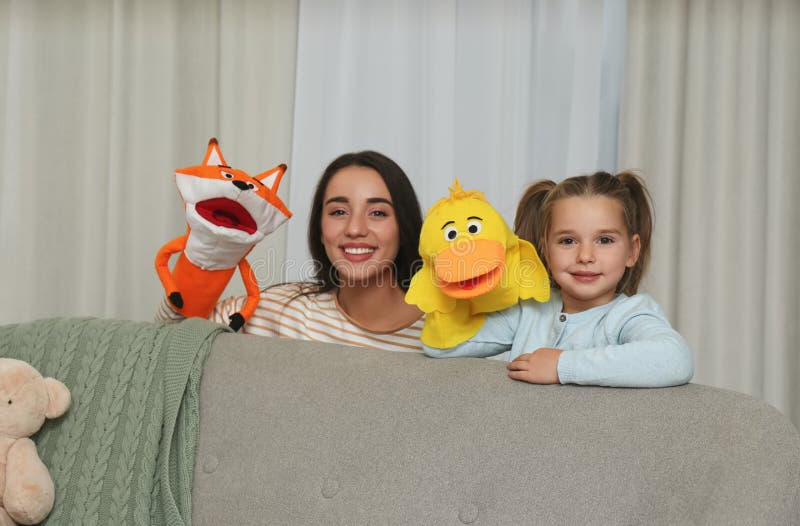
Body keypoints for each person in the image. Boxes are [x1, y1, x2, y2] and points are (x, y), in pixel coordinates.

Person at [422, 170, 694, 387]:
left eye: (605, 240)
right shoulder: (528, 310)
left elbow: (675, 359)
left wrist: (562, 365)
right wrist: (456, 274)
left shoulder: (629, 315)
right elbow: (441, 346)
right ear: (545, 250)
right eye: (567, 241)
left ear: (632, 251)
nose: (585, 255)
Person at [156, 150, 426, 352]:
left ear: (403, 225)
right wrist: (206, 248)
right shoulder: (282, 312)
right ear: (320, 230)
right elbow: (167, 344)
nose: (355, 228)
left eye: (378, 213)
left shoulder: (446, 334)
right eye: (338, 212)